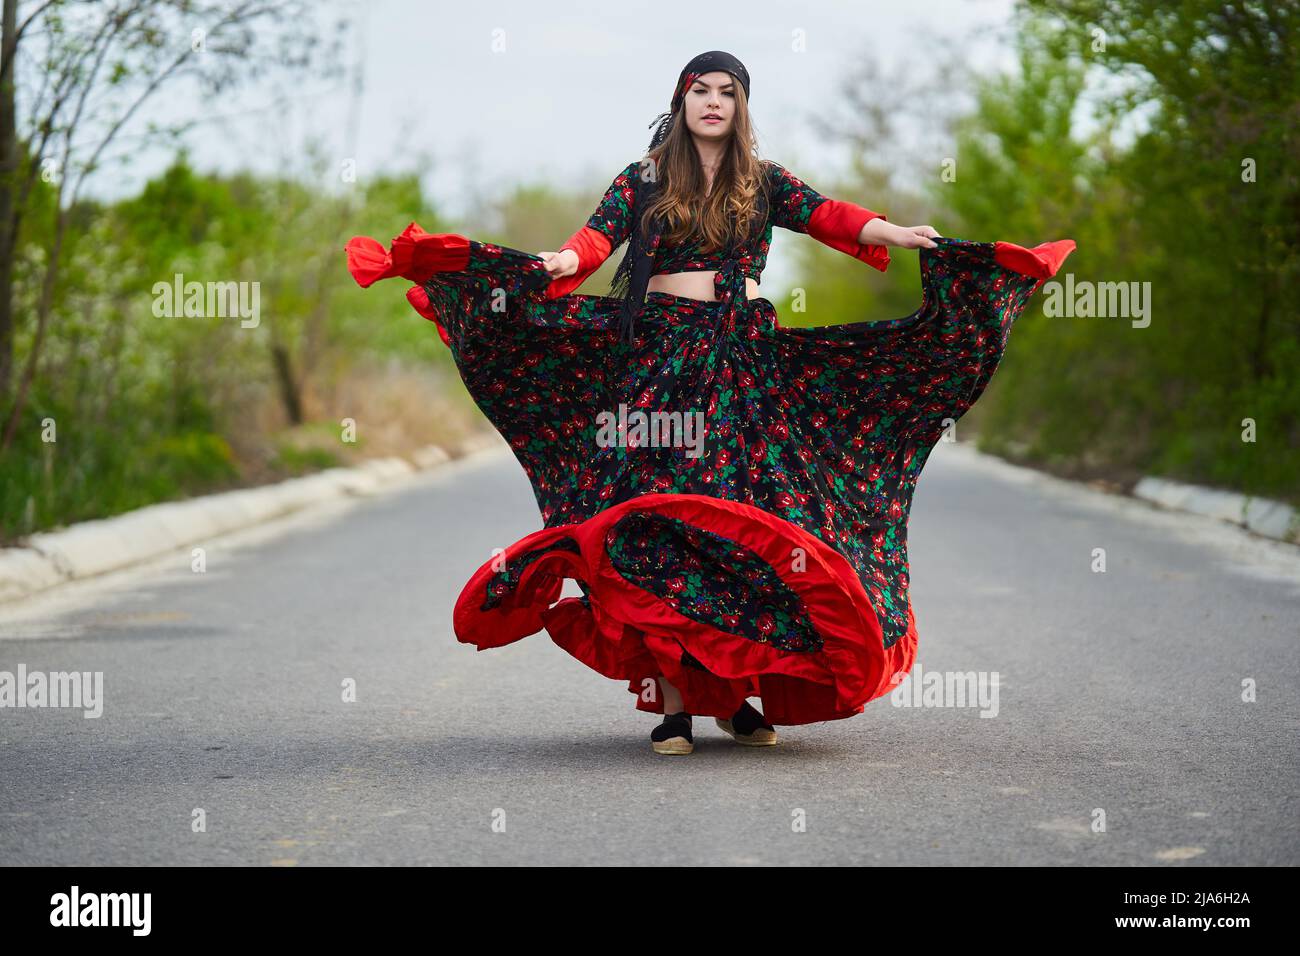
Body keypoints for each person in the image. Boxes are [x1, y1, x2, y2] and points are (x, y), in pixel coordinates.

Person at [344, 50, 1074, 757]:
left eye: (727, 90)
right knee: (664, 524)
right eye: (701, 89)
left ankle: (740, 696)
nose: (714, 101)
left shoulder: (763, 181)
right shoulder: (645, 177)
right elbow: (594, 242)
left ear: (741, 104)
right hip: (663, 365)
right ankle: (673, 707)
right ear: (682, 100)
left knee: (759, 526)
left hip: (748, 365)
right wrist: (559, 262)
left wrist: (900, 233)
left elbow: (831, 217)